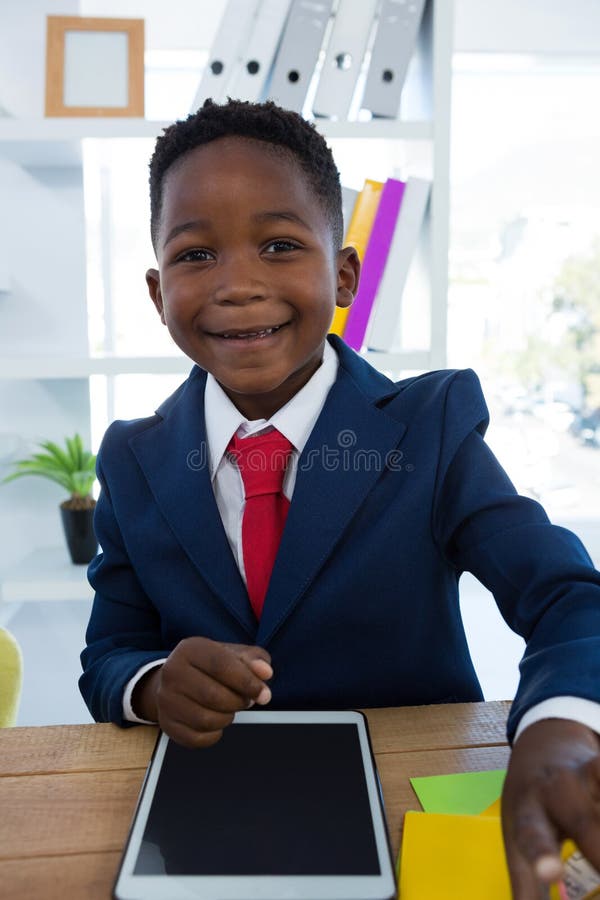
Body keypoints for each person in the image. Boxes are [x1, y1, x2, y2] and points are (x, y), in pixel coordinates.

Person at [79, 98, 600, 898]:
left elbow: (567, 594)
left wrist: (563, 722)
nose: (239, 285)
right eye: (195, 256)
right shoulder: (135, 455)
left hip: (410, 798)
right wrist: (151, 682)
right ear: (157, 293)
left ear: (345, 273)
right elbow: (108, 651)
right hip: (212, 816)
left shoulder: (430, 427)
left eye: (280, 245)